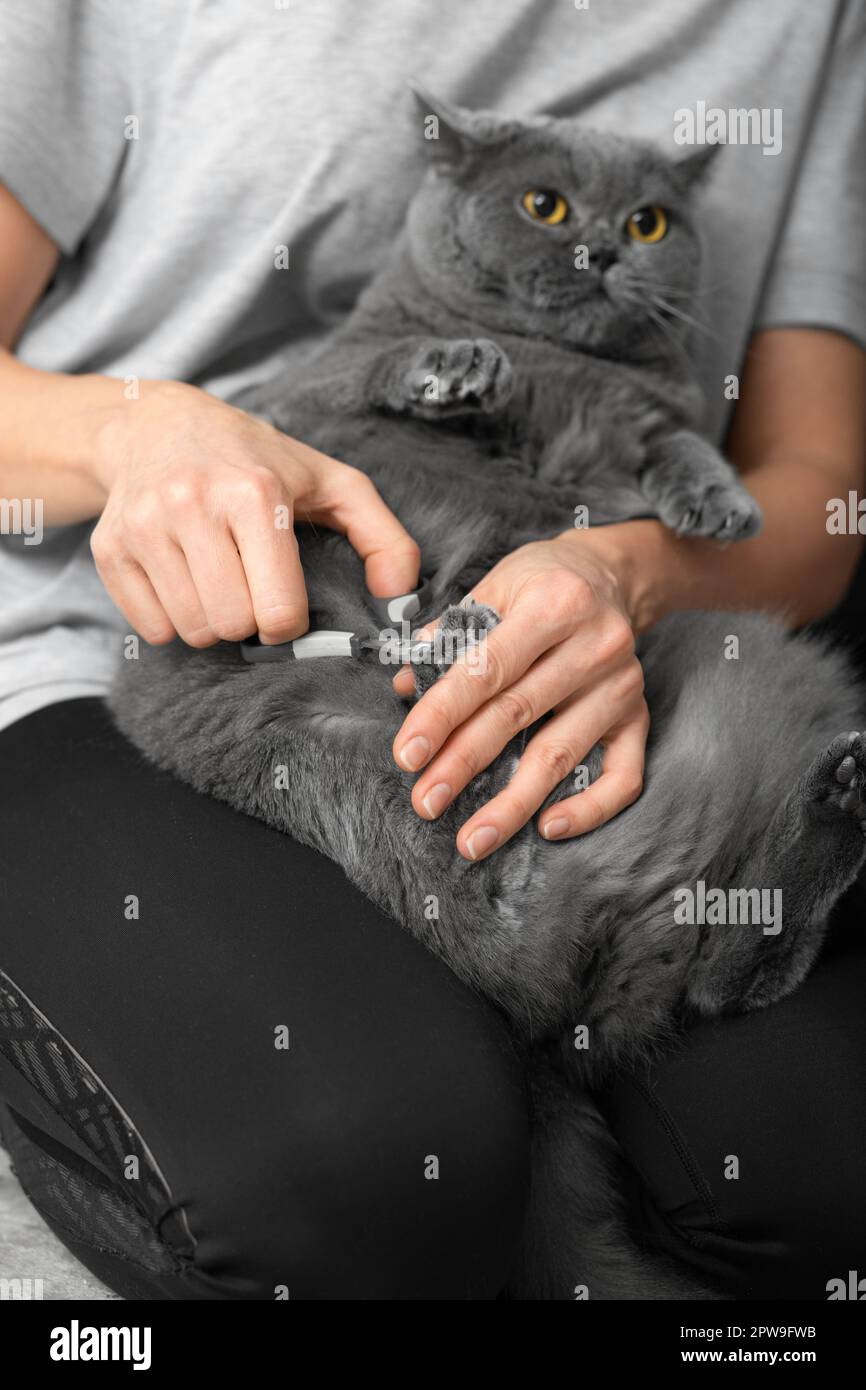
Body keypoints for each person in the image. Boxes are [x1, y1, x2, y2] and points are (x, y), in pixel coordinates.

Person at [0, 0, 863, 1299]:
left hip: (595, 631)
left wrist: (619, 570)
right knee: (366, 1186)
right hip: (164, 638)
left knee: (817, 1187)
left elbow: (815, 485)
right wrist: (137, 435)